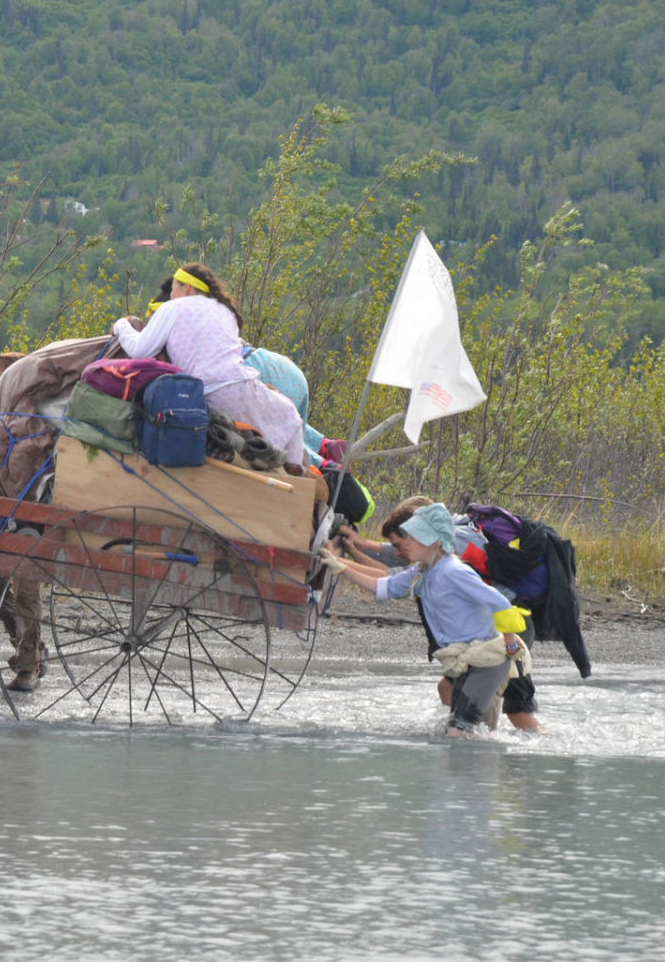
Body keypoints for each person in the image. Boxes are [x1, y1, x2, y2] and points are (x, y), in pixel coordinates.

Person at [322, 501, 528, 737]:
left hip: (487, 661)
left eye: (411, 538)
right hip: (466, 659)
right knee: (466, 729)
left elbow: (501, 604)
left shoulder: (454, 571)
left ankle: (486, 764)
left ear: (433, 541)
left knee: (458, 731)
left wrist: (511, 646)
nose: (405, 544)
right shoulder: (422, 571)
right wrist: (340, 566)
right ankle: (483, 766)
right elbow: (382, 587)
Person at [112, 264, 306, 468]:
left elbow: (140, 350)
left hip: (206, 396)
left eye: (173, 290)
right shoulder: (225, 310)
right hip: (243, 388)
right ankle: (295, 471)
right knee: (291, 417)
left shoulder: (173, 308)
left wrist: (121, 326)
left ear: (186, 287)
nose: (171, 296)